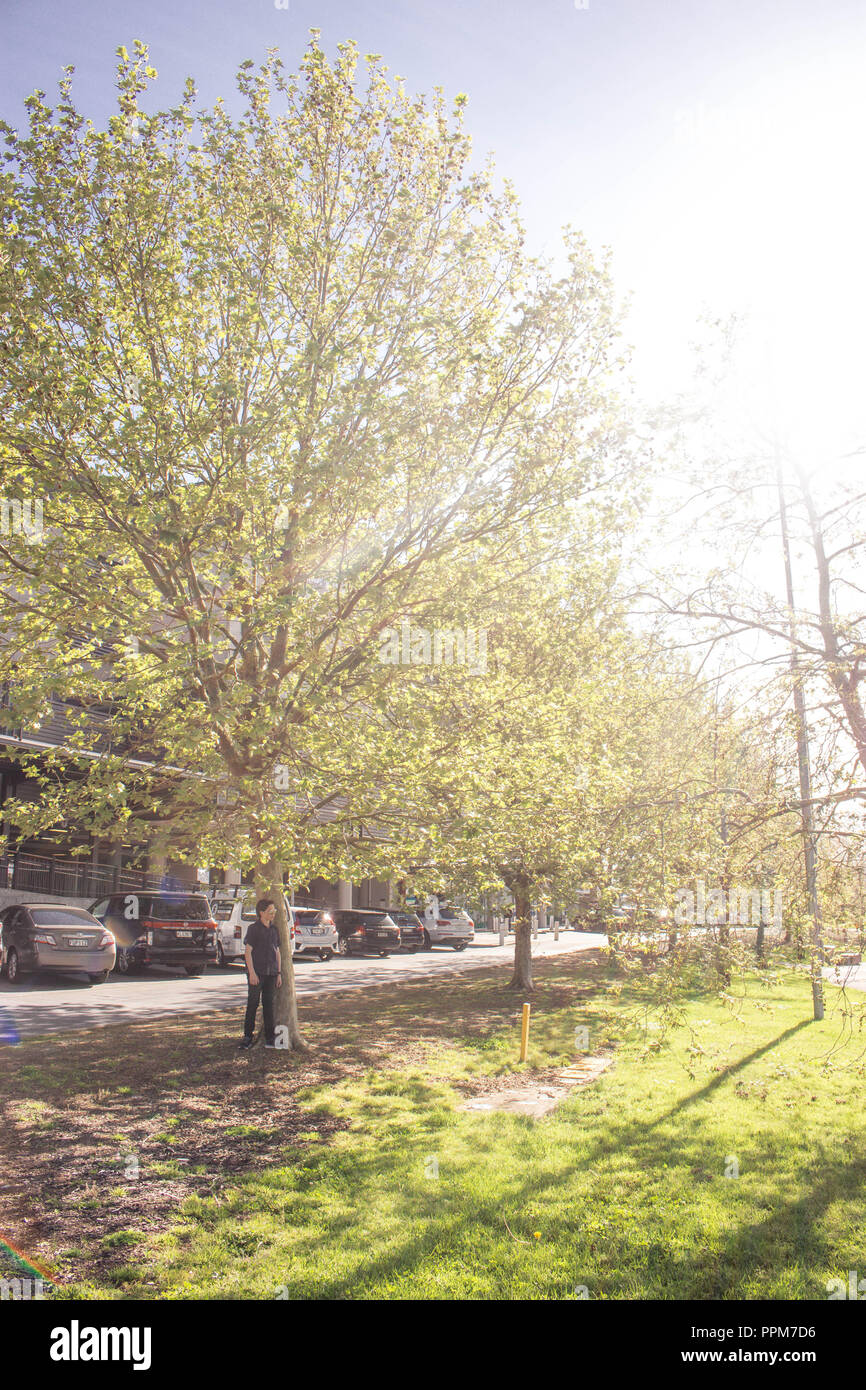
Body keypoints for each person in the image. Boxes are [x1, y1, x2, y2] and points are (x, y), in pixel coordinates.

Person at [238, 898, 282, 1050]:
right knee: (253, 1004)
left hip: (271, 973)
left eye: (274, 911)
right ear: (261, 913)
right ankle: (247, 1037)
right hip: (257, 973)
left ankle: (270, 1038)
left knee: (269, 1005)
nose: (273, 914)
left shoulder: (274, 930)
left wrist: (279, 973)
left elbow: (277, 951)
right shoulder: (254, 929)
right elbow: (248, 952)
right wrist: (252, 973)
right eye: (270, 912)